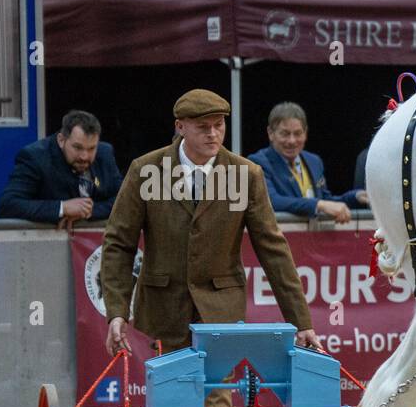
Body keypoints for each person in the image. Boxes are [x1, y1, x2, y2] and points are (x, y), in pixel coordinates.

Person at [101, 89, 322, 377]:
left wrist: (301, 321)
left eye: (219, 125)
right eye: (203, 127)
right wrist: (116, 312)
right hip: (164, 309)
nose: (213, 134)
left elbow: (273, 250)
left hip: (221, 312)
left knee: (216, 406)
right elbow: (119, 244)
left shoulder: (246, 174)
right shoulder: (145, 170)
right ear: (180, 127)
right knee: (172, 399)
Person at [0, 110, 122, 227]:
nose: (84, 156)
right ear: (61, 140)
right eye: (77, 148)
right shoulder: (35, 158)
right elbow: (8, 205)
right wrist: (62, 208)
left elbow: (124, 201)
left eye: (91, 149)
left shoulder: (104, 153)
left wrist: (87, 211)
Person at [249, 102, 369, 222]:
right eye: (285, 134)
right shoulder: (257, 163)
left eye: (297, 133)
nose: (292, 140)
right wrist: (318, 205)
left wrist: (354, 197)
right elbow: (271, 201)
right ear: (270, 133)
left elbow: (326, 201)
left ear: (305, 133)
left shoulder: (314, 161)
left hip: (313, 239)